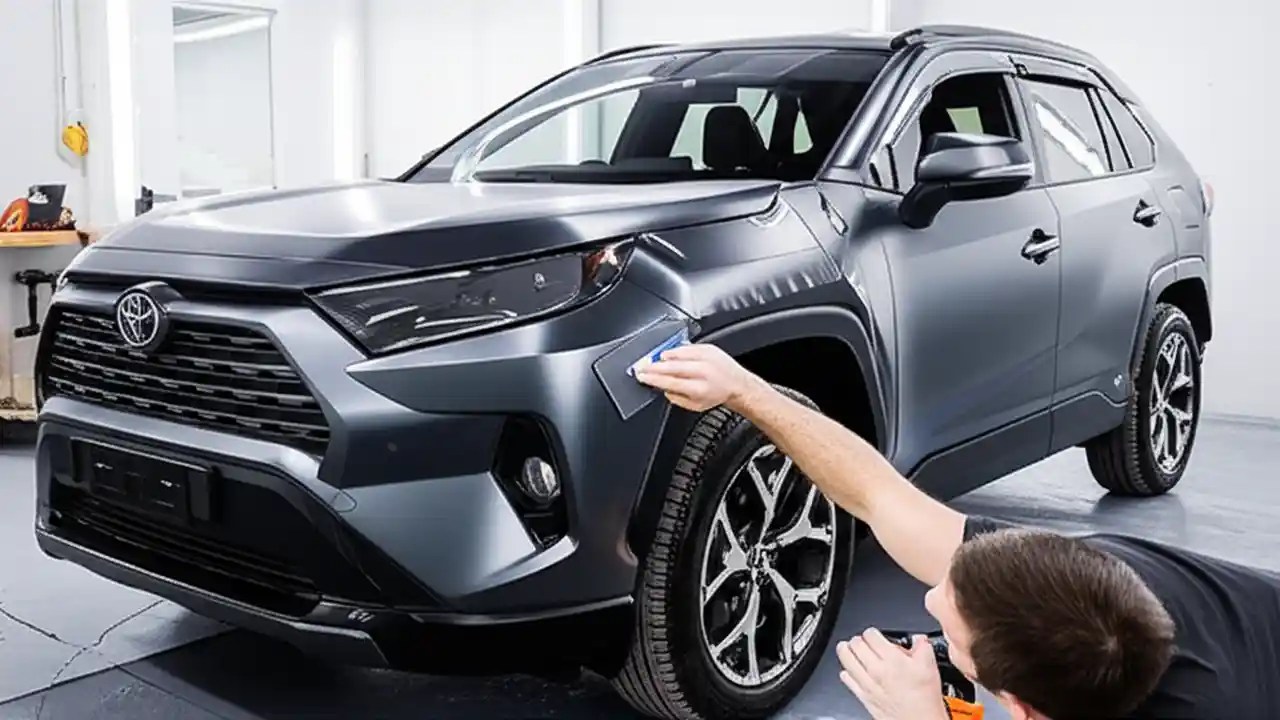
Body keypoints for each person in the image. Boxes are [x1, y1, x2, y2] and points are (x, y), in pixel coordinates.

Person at [634, 343, 1280, 720]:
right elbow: (875, 494)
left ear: (1023, 711)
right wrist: (746, 389)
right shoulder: (1079, 586)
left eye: (952, 633)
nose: (925, 604)